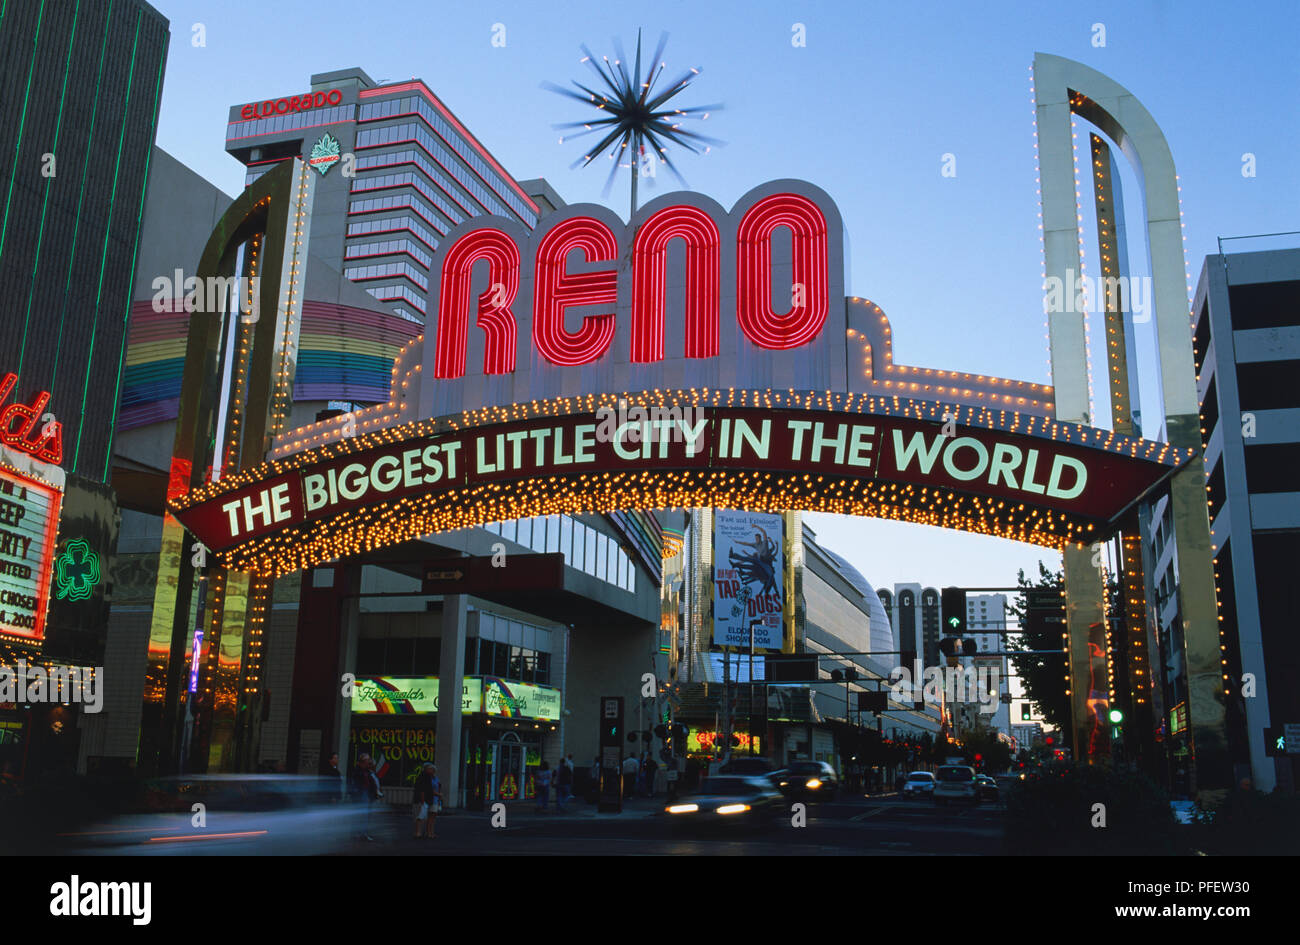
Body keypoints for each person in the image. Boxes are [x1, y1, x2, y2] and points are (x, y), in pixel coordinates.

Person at [412, 763, 435, 839]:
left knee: (421, 816)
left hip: (424, 799)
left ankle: (419, 832)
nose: (433, 770)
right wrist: (423, 800)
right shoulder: (424, 777)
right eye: (431, 769)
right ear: (426, 769)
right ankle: (418, 832)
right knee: (420, 816)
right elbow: (422, 790)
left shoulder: (426, 777)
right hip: (422, 800)